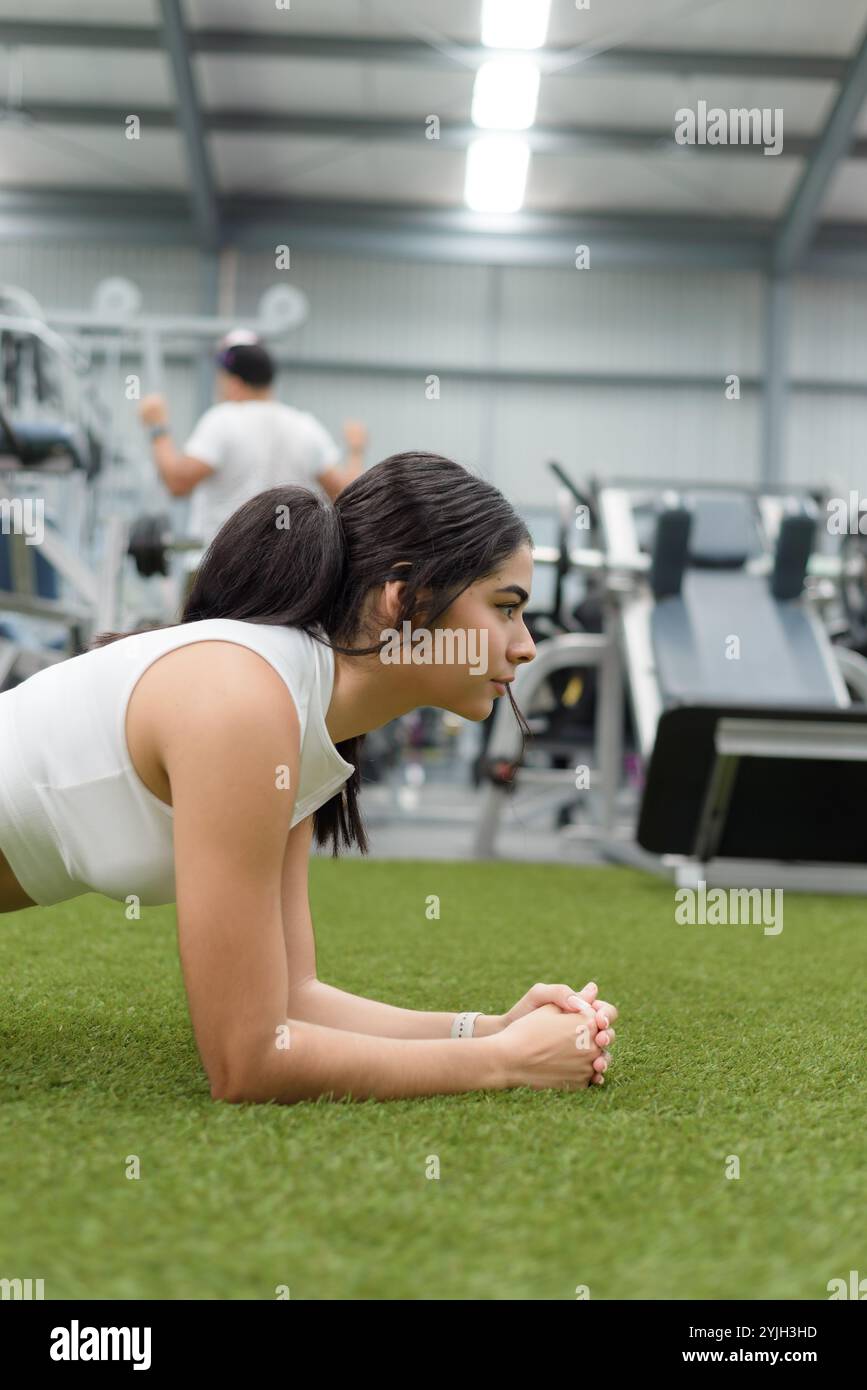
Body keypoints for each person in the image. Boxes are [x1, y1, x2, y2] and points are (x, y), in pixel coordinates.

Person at [0, 452, 616, 1104]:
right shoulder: (245, 703)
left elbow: (294, 1001)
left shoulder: (295, 712)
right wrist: (502, 1063)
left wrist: (486, 1030)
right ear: (404, 600)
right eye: (505, 607)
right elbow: (250, 1060)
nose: (524, 646)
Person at [137, 333, 368, 602]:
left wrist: (157, 426)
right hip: (288, 574)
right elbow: (348, 497)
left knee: (206, 644)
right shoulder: (306, 428)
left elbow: (177, 483)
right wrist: (356, 451)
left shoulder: (223, 421)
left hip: (221, 568)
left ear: (233, 382)